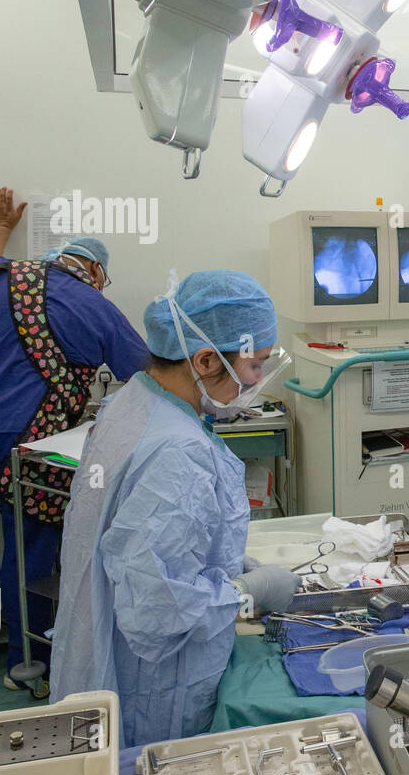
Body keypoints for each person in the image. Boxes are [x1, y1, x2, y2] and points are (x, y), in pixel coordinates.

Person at [48, 270, 299, 747]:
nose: (260, 380)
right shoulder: (177, 451)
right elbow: (157, 615)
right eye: (254, 366)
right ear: (205, 360)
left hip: (102, 655)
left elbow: (137, 544)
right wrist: (247, 592)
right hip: (151, 690)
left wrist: (221, 565)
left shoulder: (136, 399)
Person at [0, 187, 148, 693]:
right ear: (93, 272)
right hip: (28, 443)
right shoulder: (97, 305)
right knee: (28, 552)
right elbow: (149, 377)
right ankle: (24, 662)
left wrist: (2, 224)